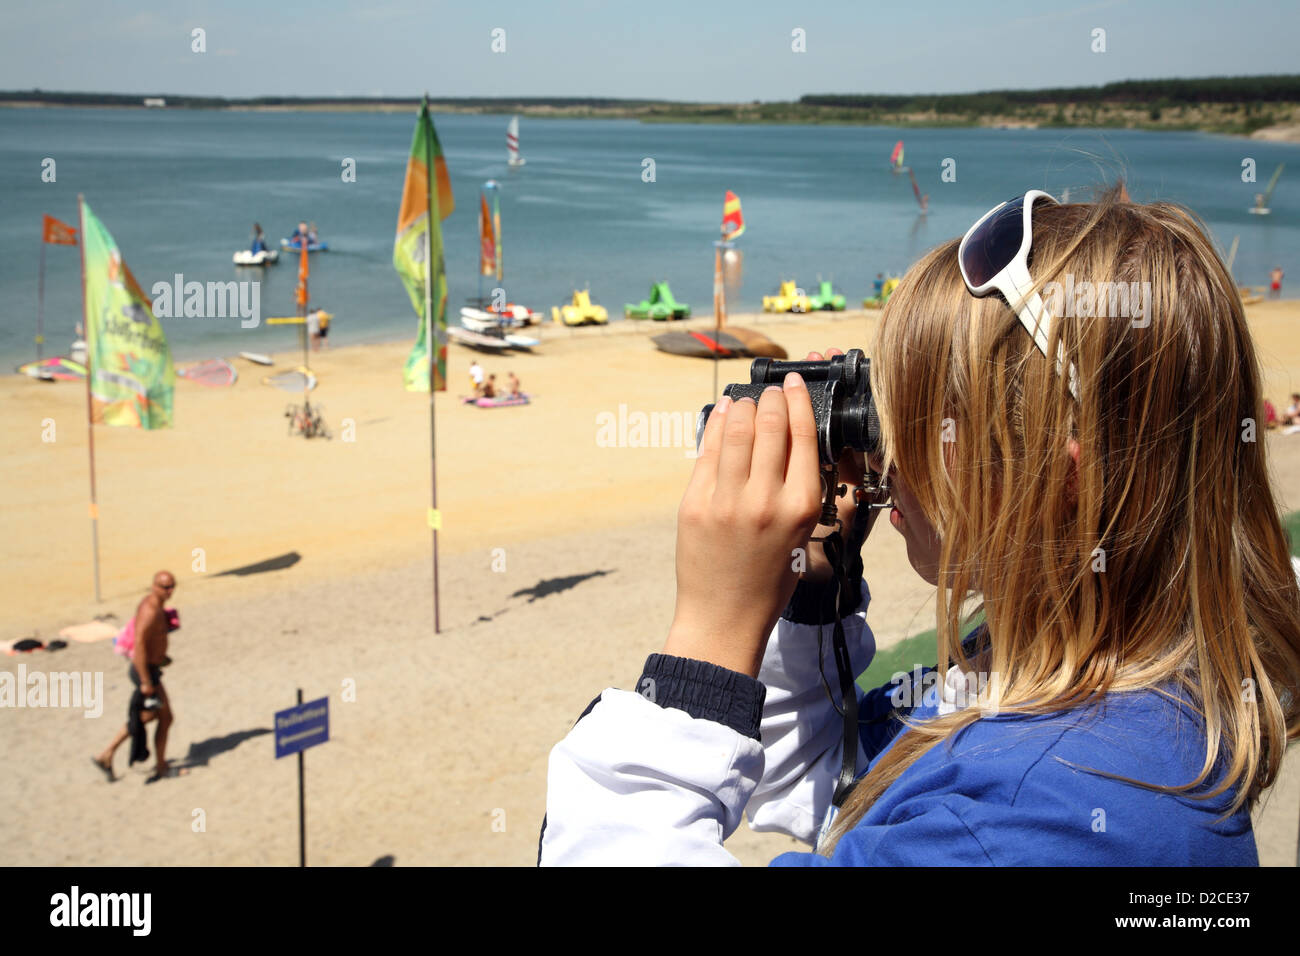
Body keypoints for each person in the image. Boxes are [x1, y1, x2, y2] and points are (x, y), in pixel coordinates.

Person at [540, 184, 1300, 865]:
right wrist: (813, 589)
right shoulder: (1050, 679)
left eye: (917, 415)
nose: (883, 450)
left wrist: (704, 644)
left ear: (1063, 475)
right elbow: (835, 793)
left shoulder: (1035, 822)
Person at [92, 571, 181, 783]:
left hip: (151, 669)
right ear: (153, 586)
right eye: (164, 587)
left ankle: (107, 755)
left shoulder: (158, 608)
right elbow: (139, 646)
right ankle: (160, 767)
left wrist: (161, 657)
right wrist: (146, 682)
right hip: (145, 672)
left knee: (151, 716)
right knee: (165, 717)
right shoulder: (150, 610)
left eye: (171, 586)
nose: (169, 591)